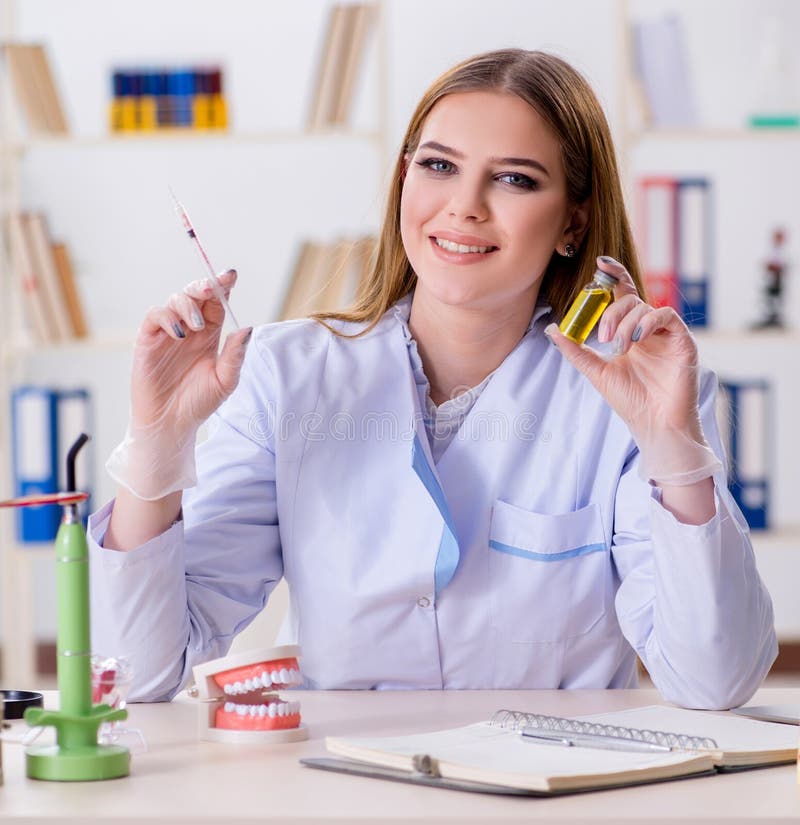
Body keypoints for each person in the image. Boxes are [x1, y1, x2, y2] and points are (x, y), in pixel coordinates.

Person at [89, 49, 776, 708]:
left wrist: (673, 452)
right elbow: (139, 673)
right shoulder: (286, 374)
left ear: (573, 222)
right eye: (440, 165)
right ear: (402, 181)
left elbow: (712, 680)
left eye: (514, 178)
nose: (464, 206)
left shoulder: (636, 391)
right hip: (343, 786)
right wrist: (157, 442)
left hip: (555, 792)